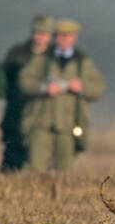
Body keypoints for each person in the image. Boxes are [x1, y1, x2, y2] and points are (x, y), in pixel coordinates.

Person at [17, 19, 106, 172]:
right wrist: (44, 88)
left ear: (74, 38)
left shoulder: (81, 62)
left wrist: (80, 87)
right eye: (61, 36)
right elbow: (24, 82)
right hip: (41, 123)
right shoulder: (42, 59)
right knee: (35, 169)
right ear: (55, 37)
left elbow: (98, 88)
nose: (64, 40)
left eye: (68, 36)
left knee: (65, 172)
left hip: (69, 125)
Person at [1, 14, 53, 171]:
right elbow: (5, 81)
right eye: (37, 32)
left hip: (44, 111)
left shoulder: (55, 56)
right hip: (17, 108)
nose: (40, 37)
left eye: (44, 33)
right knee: (13, 150)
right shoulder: (17, 53)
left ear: (50, 35)